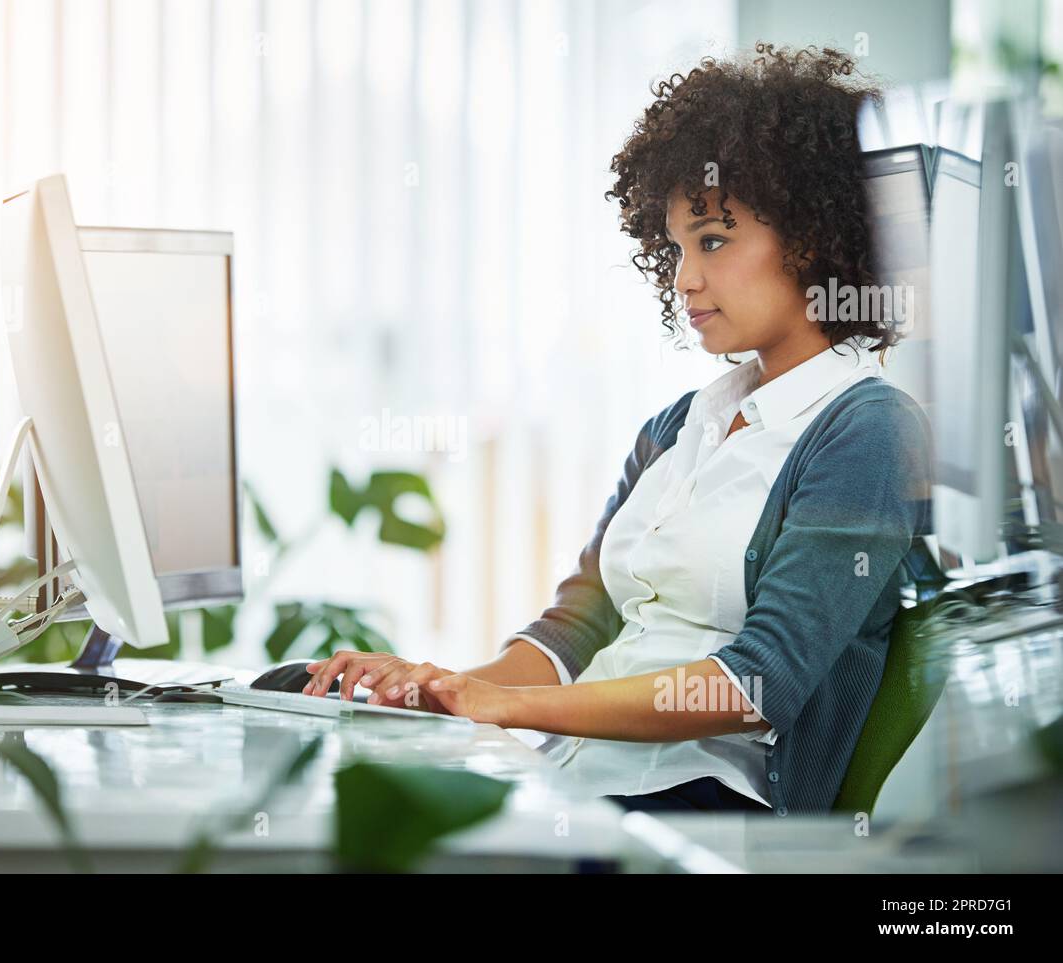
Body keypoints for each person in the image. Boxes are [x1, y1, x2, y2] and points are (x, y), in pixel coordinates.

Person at [301, 42, 934, 816]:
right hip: (581, 783)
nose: (683, 277)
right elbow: (576, 631)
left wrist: (503, 708)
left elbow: (758, 682)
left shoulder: (867, 431)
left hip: (702, 807)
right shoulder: (679, 425)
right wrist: (441, 686)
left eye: (712, 239)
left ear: (809, 238)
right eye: (675, 247)